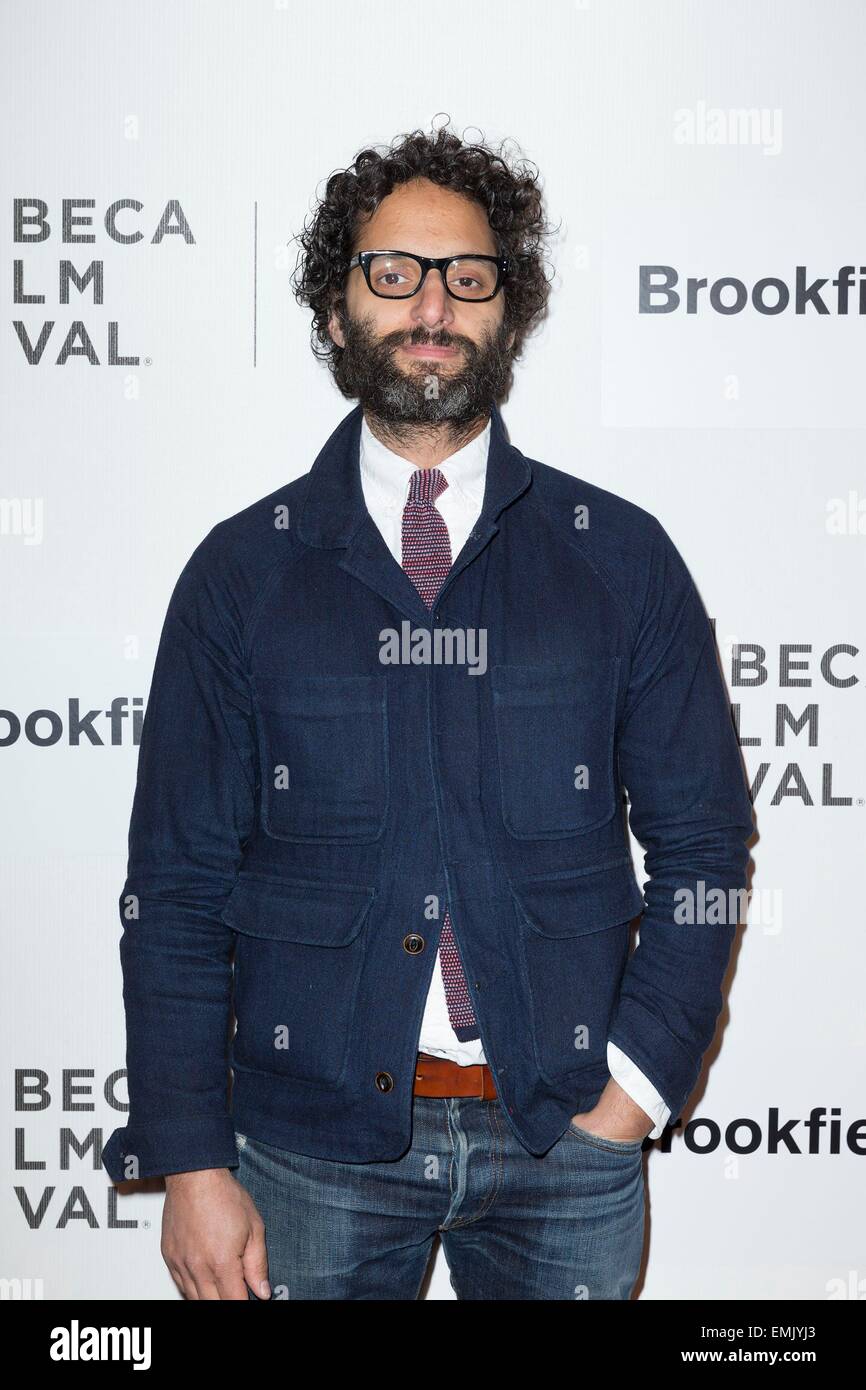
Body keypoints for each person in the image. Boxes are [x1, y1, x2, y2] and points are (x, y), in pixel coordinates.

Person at [102, 123, 754, 1300]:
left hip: (566, 1140)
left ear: (509, 306)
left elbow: (703, 843)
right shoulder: (243, 574)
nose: (431, 304)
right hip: (306, 1151)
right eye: (392, 272)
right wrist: (190, 1155)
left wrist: (635, 1090)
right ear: (336, 304)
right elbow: (177, 886)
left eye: (467, 275)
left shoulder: (617, 560)